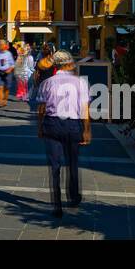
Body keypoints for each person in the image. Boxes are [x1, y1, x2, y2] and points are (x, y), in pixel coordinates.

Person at [35, 50, 91, 218]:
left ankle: (57, 205)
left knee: (55, 166)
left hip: (52, 124)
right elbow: (84, 109)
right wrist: (87, 130)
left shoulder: (48, 82)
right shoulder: (80, 82)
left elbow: (41, 109)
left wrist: (40, 128)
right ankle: (74, 197)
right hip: (73, 125)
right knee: (72, 162)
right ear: (68, 64)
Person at [0, 40, 16, 108]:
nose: (0, 46)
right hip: (0, 72)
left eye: (2, 45)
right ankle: (1, 102)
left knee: (7, 88)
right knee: (0, 87)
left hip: (8, 72)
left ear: (5, 46)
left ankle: (5, 99)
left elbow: (12, 64)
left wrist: (10, 69)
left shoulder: (8, 54)